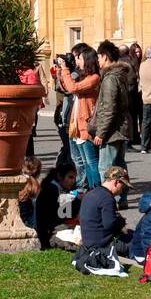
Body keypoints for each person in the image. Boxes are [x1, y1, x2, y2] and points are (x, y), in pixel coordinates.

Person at [91, 41, 133, 207]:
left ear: (106, 57)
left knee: (106, 167)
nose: (98, 61)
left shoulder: (110, 78)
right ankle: (121, 198)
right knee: (120, 166)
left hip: (113, 130)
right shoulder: (120, 75)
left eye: (99, 57)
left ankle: (108, 200)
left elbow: (109, 108)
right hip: (121, 127)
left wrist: (101, 133)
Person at [56, 44, 101, 191]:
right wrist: (60, 71)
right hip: (76, 124)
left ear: (87, 60)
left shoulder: (94, 78)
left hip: (86, 124)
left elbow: (73, 88)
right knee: (83, 161)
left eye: (79, 58)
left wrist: (65, 69)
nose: (77, 61)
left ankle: (97, 189)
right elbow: (65, 88)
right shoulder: (84, 77)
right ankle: (88, 188)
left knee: (91, 161)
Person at [72, 166, 133, 274]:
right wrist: (121, 223)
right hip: (101, 244)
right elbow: (110, 225)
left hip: (88, 242)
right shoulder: (107, 198)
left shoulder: (91, 193)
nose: (121, 190)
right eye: (122, 186)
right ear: (116, 182)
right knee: (135, 239)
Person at [35, 162, 79, 249]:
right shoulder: (52, 190)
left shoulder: (54, 188)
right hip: (49, 233)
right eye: (70, 177)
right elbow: (63, 214)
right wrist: (77, 202)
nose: (73, 181)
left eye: (74, 178)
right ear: (60, 176)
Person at [18, 154, 42, 231]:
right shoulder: (38, 188)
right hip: (33, 223)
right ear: (38, 173)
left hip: (22, 221)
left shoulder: (18, 184)